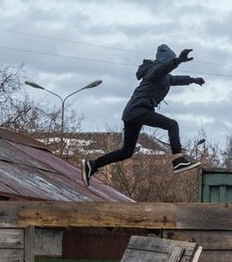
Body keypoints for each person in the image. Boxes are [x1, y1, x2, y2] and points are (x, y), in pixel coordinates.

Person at [81, 44, 205, 184]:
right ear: (164, 61)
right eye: (168, 62)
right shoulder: (154, 71)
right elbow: (163, 69)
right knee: (172, 124)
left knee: (127, 151)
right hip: (138, 110)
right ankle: (178, 160)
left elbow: (174, 79)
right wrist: (177, 60)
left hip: (133, 113)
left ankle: (92, 165)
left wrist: (192, 80)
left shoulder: (163, 76)